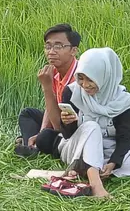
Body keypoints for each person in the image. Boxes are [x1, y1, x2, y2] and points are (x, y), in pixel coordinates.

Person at [56, 47, 130, 199]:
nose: (85, 85)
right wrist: (66, 122)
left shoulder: (122, 101)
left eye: (91, 79)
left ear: (105, 76)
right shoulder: (72, 92)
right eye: (81, 78)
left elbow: (126, 138)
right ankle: (96, 185)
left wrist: (114, 162)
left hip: (106, 149)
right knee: (92, 127)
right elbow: (68, 135)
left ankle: (89, 168)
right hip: (77, 148)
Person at [15, 24, 81, 159]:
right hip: (60, 119)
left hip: (74, 128)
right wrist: (42, 130)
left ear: (73, 50)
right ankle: (31, 146)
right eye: (48, 46)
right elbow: (51, 105)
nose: (51, 51)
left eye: (58, 46)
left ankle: (37, 144)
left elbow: (59, 126)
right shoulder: (55, 71)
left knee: (46, 136)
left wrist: (46, 87)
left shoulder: (79, 78)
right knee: (27, 114)